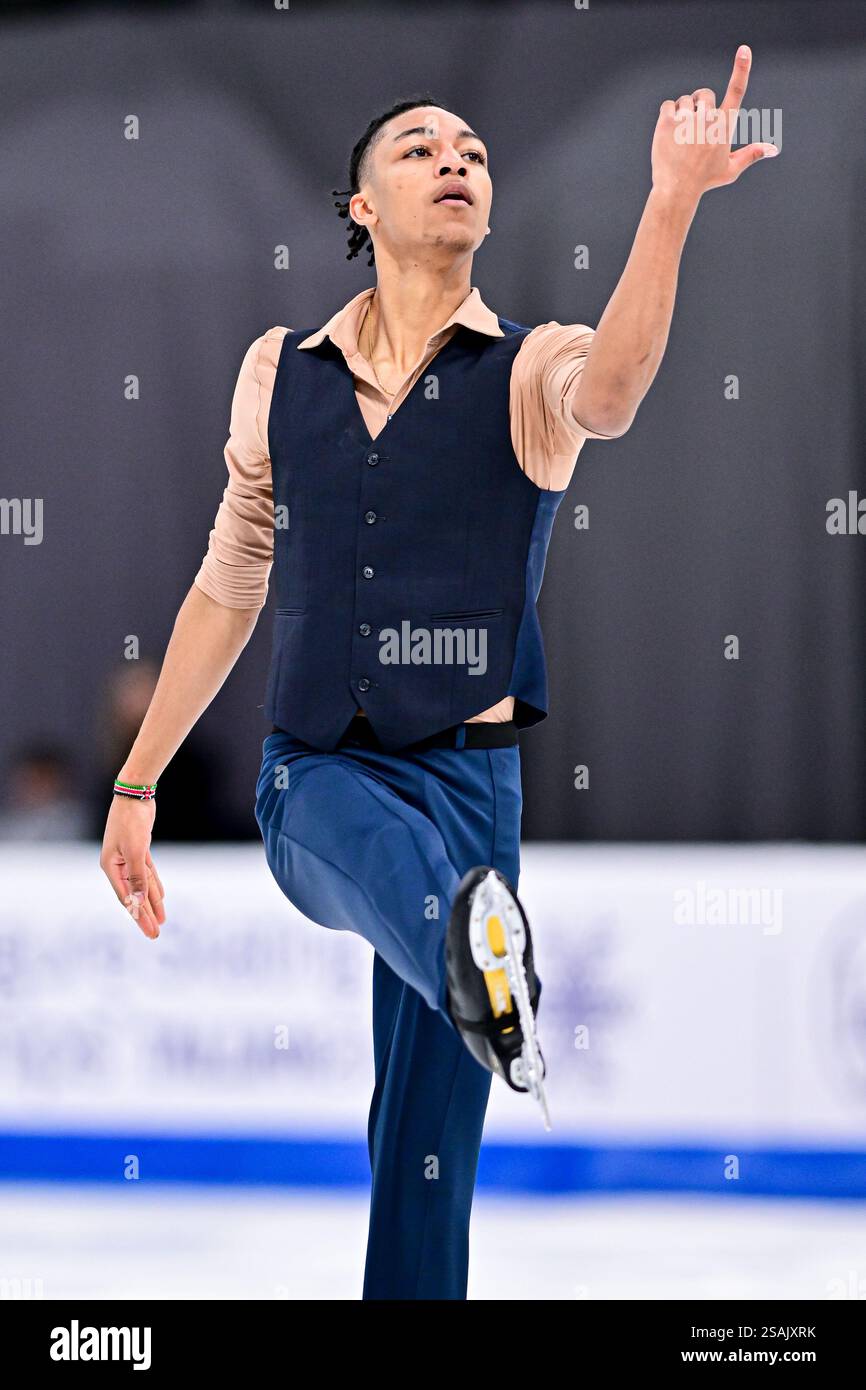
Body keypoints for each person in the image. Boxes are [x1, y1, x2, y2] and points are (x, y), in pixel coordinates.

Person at [99, 55, 776, 1300]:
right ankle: (476, 941)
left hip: (471, 791)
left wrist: (669, 199)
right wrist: (137, 783)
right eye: (417, 146)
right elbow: (227, 583)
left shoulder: (528, 372)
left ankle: (472, 955)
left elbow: (614, 394)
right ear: (360, 205)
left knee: (418, 1163)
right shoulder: (277, 371)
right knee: (386, 862)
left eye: (469, 147)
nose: (453, 158)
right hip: (318, 781)